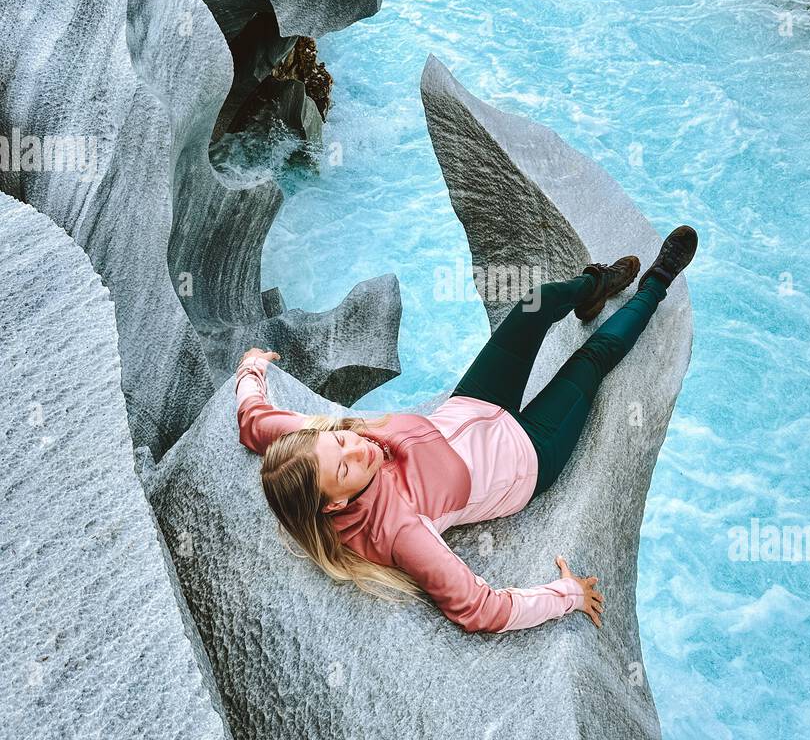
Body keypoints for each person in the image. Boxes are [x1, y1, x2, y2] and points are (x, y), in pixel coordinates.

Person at [236, 226, 698, 635]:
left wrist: (251, 371)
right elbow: (480, 609)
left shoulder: (316, 451)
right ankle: (657, 283)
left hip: (473, 404)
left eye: (339, 439)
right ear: (337, 501)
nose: (355, 446)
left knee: (531, 306)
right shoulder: (400, 531)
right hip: (527, 457)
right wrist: (567, 595)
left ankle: (593, 286)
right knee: (592, 360)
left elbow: (255, 425)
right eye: (344, 465)